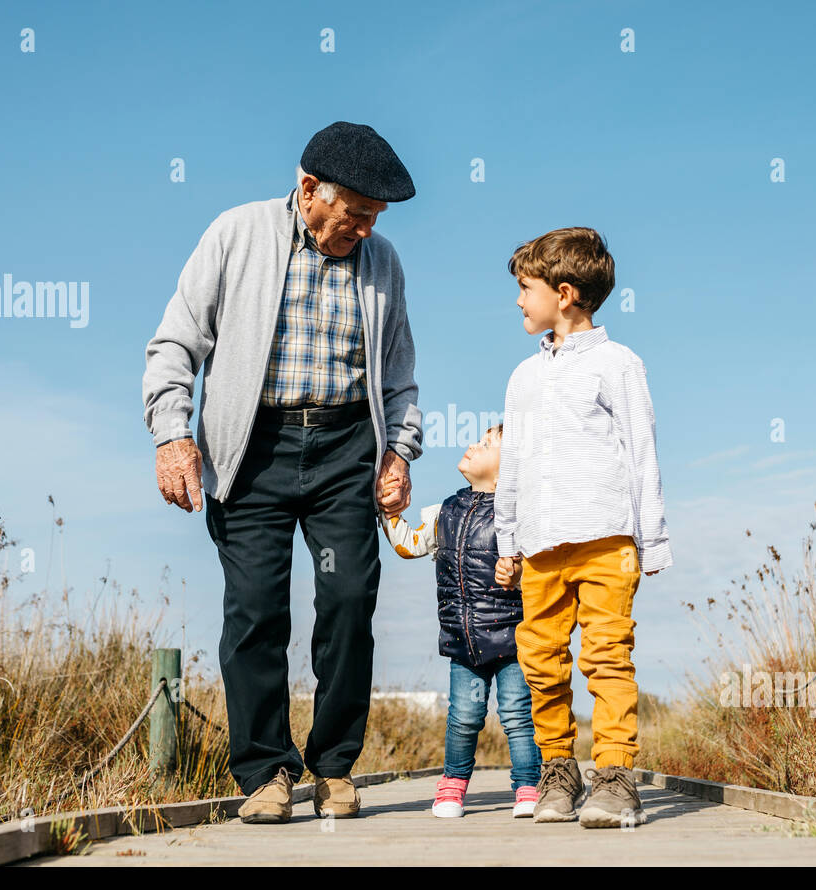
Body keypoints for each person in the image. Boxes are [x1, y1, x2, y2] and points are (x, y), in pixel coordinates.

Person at [141, 122, 424, 824]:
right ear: (308, 190)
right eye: (354, 214)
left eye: (373, 218)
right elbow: (176, 342)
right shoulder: (236, 234)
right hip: (253, 451)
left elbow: (400, 377)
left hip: (344, 450)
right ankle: (266, 771)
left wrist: (399, 453)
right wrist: (172, 434)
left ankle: (333, 767)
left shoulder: (382, 262)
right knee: (256, 612)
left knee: (350, 601)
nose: (363, 229)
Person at [494, 227, 672, 828]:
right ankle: (557, 773)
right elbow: (512, 465)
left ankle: (616, 778)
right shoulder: (523, 377)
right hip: (541, 547)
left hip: (607, 539)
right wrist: (507, 540)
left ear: (563, 293)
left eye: (526, 288)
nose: (519, 301)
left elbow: (642, 451)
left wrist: (652, 540)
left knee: (606, 657)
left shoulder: (617, 364)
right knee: (541, 661)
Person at [380, 424, 541, 818]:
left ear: (508, 473)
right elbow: (411, 544)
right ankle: (452, 787)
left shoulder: (519, 517)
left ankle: (527, 787)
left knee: (518, 716)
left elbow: (540, 569)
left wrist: (519, 574)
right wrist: (389, 513)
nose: (473, 445)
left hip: (512, 640)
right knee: (464, 717)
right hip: (462, 639)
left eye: (486, 445)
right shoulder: (445, 511)